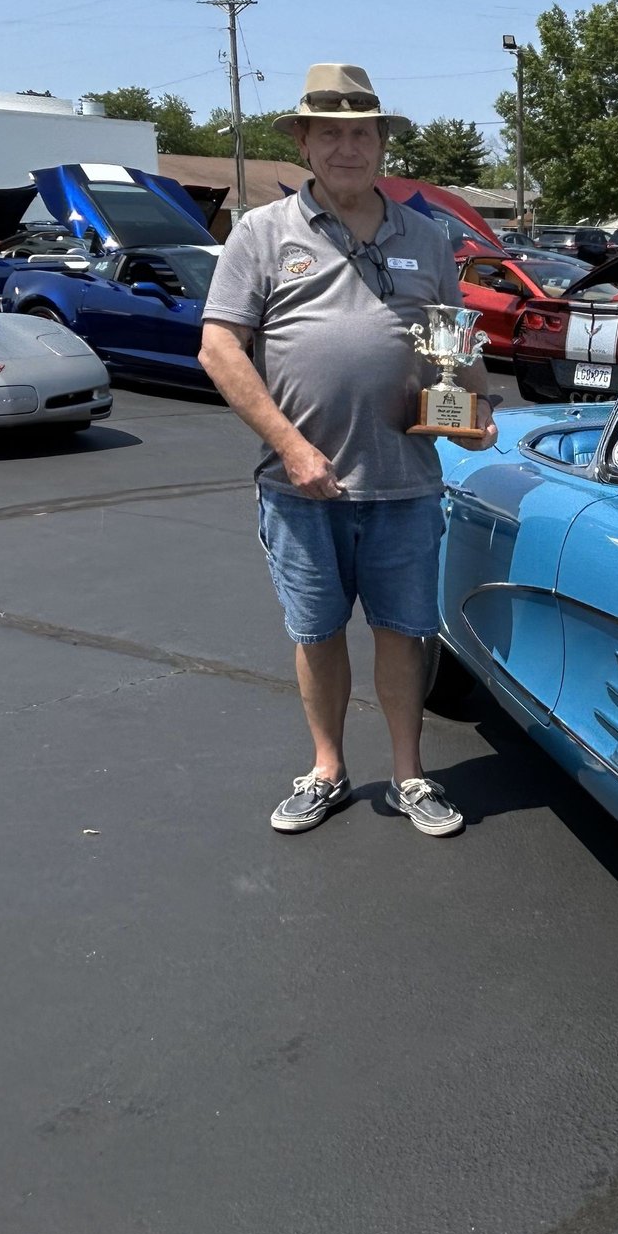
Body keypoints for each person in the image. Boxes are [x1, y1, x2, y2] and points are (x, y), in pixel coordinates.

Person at [198, 63, 497, 839]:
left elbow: (452, 350)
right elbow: (220, 349)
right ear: (303, 141)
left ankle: (409, 775)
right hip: (302, 487)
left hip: (406, 482)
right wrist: (291, 446)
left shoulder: (427, 239)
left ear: (380, 144)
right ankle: (327, 770)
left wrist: (478, 405)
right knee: (317, 631)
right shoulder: (262, 235)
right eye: (328, 132)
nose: (346, 146)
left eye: (360, 132)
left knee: (406, 632)